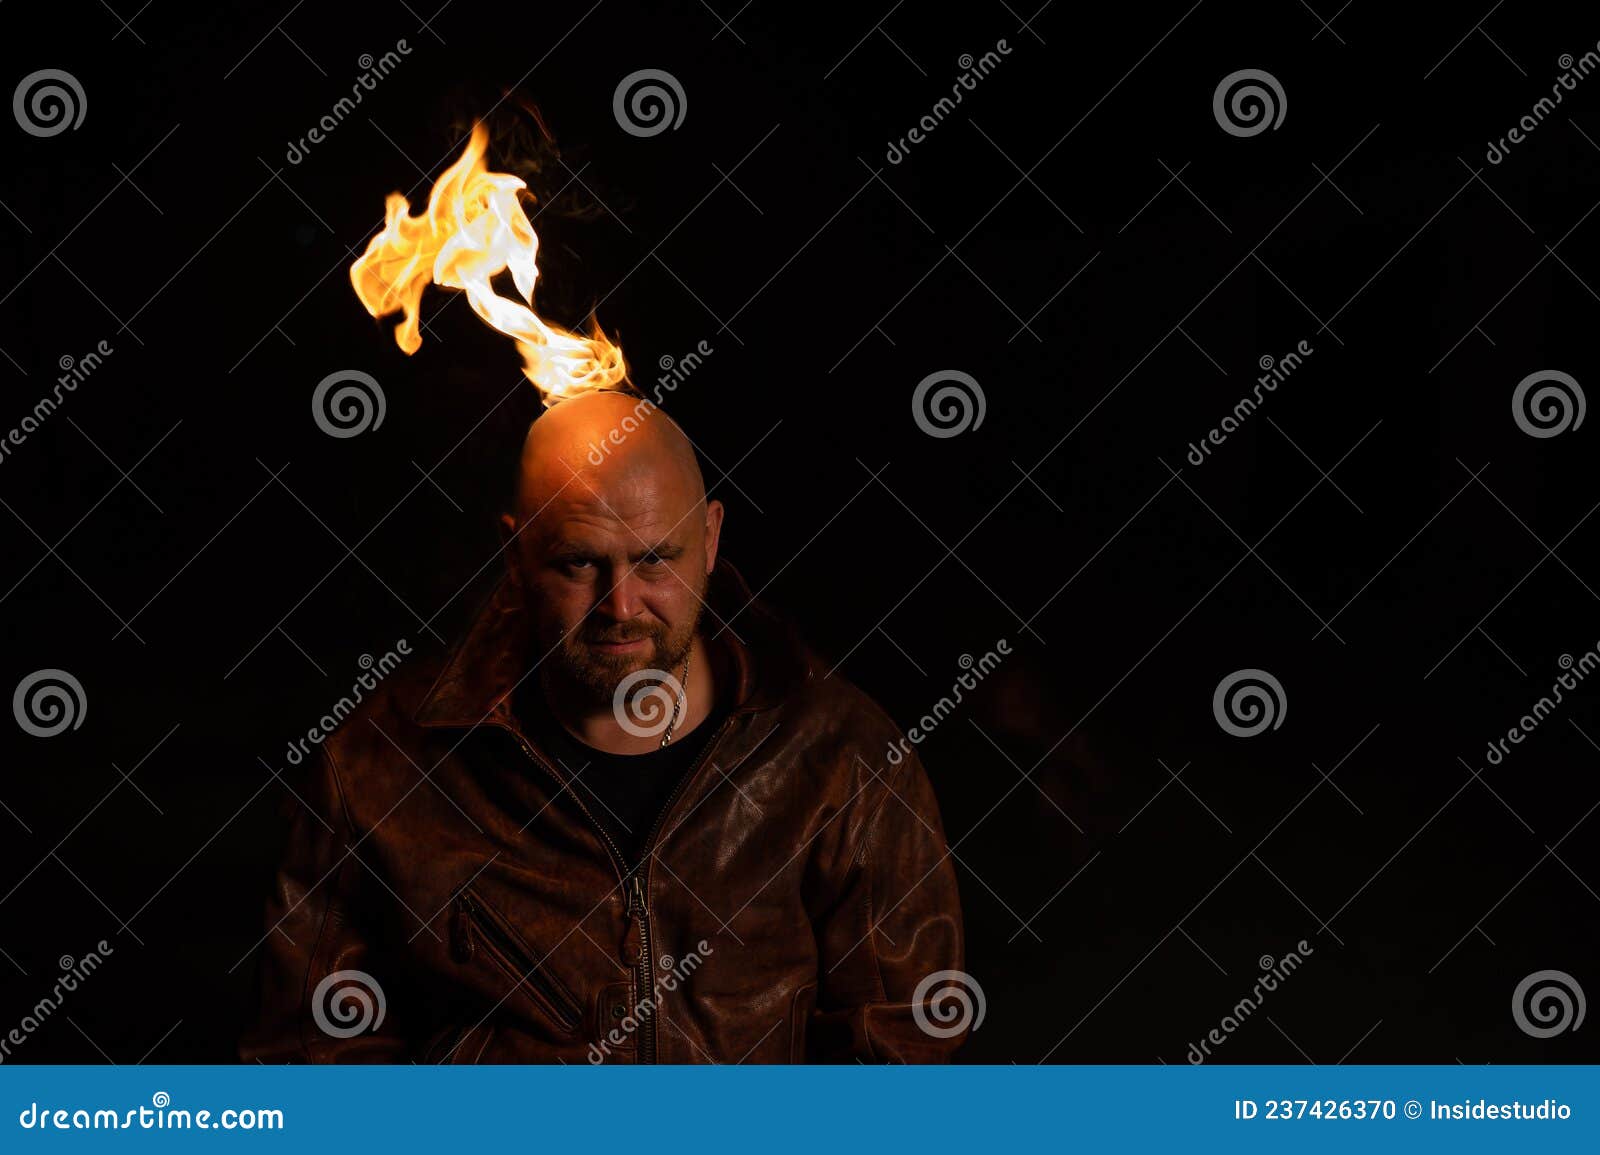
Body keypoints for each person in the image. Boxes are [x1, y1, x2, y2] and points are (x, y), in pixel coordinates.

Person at [239, 389, 966, 1063]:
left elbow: (904, 1062)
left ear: (710, 539)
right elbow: (310, 1064)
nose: (620, 606)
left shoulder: (847, 758)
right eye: (580, 562)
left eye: (655, 558)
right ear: (514, 554)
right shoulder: (379, 765)